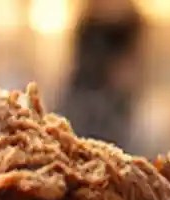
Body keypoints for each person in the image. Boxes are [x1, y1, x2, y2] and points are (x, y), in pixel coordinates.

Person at [59, 1, 145, 152]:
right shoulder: (87, 21)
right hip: (81, 97)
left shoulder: (131, 23)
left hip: (112, 102)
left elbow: (130, 67)